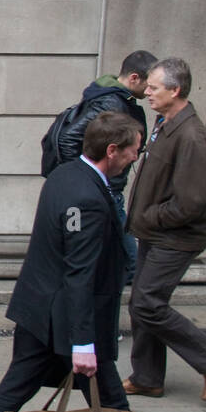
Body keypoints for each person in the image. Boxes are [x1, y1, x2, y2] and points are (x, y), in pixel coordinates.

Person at [0, 112, 206, 412]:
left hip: (40, 310)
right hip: (67, 322)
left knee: (15, 389)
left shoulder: (66, 174)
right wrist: (84, 344)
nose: (135, 157)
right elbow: (80, 277)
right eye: (131, 151)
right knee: (111, 404)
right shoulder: (89, 199)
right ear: (112, 151)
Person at [124, 57, 206, 402]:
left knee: (148, 304)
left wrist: (150, 216)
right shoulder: (164, 122)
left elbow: (191, 204)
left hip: (176, 236)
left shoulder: (192, 137)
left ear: (176, 90)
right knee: (142, 303)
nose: (147, 92)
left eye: (154, 87)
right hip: (155, 231)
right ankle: (147, 378)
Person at [53, 49, 157, 285]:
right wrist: (84, 179)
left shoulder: (118, 98)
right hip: (105, 189)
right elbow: (68, 138)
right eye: (148, 85)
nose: (149, 91)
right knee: (130, 260)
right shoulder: (112, 101)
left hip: (106, 187)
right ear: (133, 78)